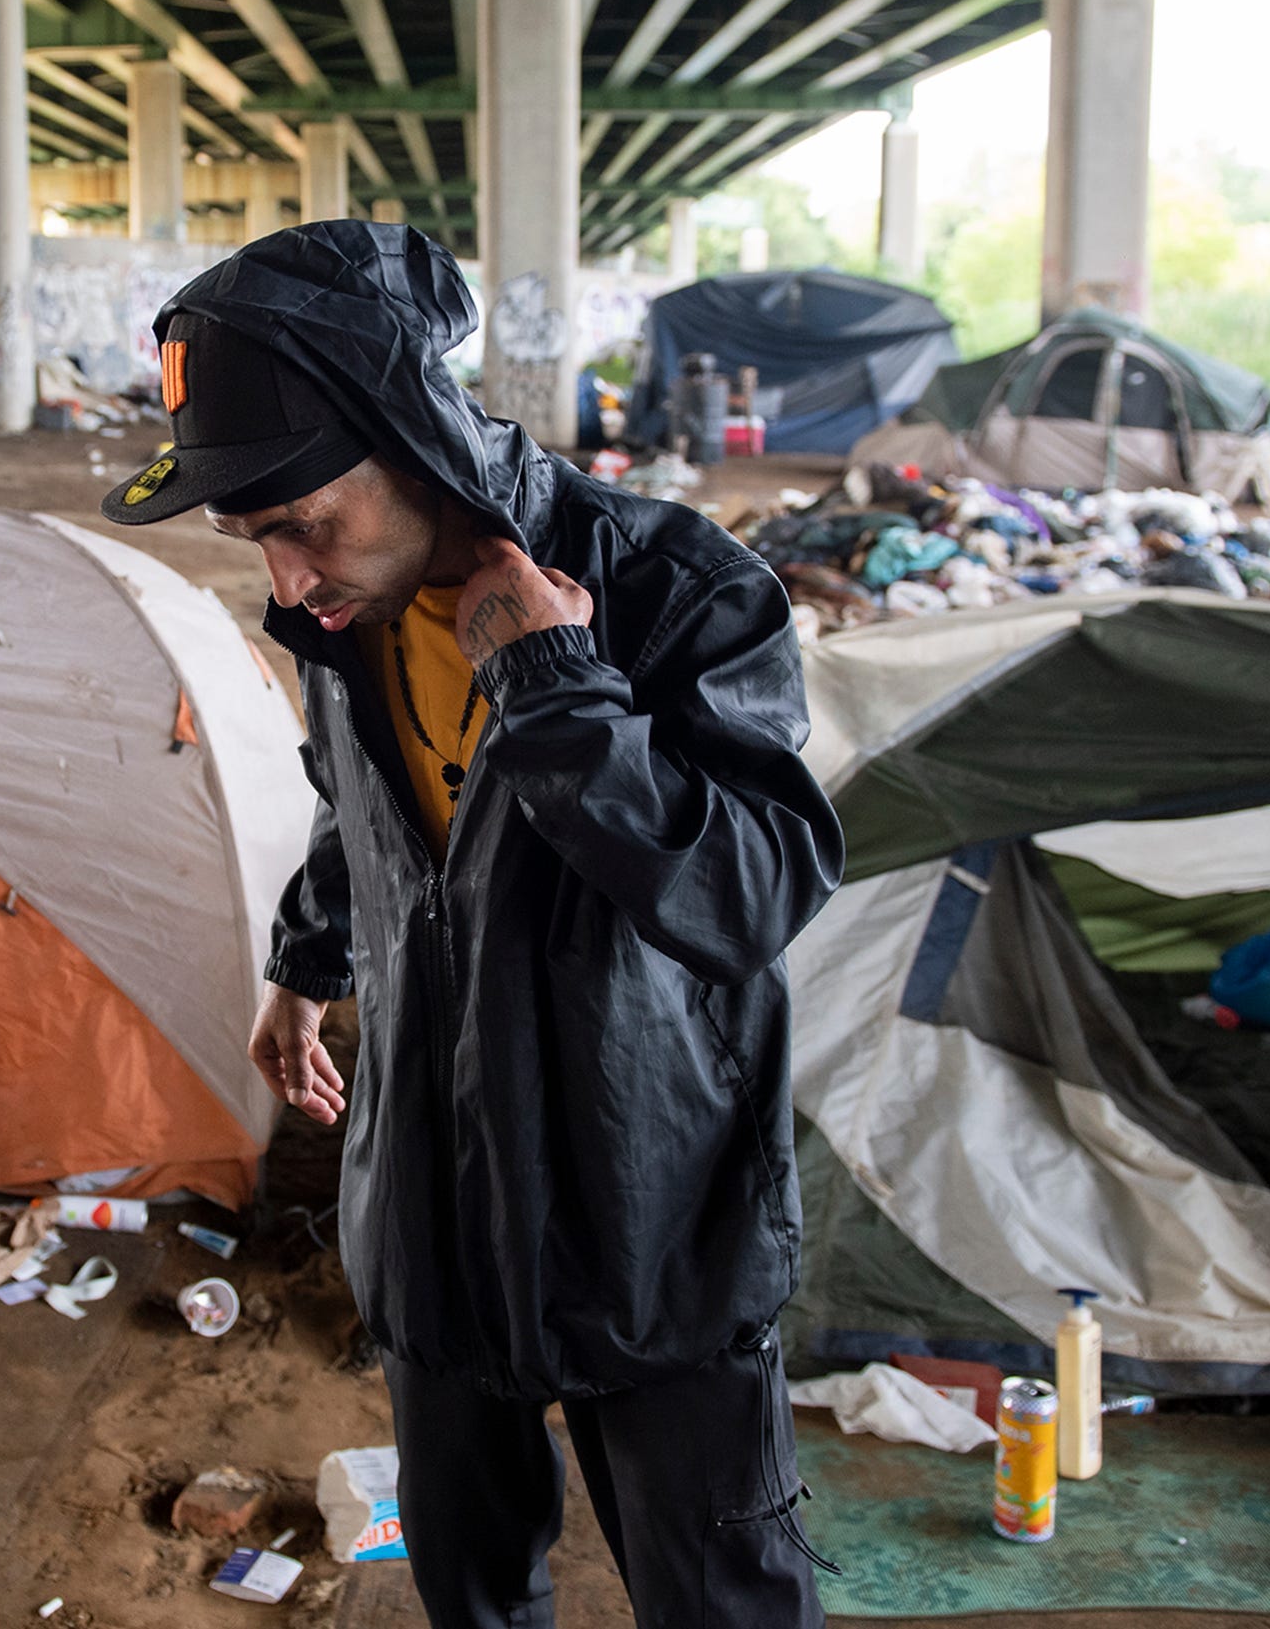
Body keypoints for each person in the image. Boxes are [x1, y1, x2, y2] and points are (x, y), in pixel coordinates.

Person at [102, 223, 844, 1627]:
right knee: (471, 1586)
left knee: (721, 1599)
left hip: (650, 1215)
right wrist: (302, 965)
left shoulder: (671, 589)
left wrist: (560, 693)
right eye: (250, 537)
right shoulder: (342, 622)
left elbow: (754, 888)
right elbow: (362, 814)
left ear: (412, 437)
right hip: (434, 1197)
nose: (286, 580)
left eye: (304, 522)